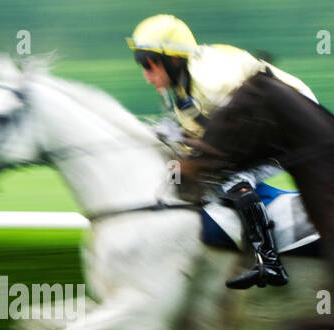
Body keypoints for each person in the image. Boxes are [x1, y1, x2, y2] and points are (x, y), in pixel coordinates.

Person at [127, 14, 317, 288]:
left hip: (294, 120)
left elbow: (231, 137)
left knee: (232, 178)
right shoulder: (181, 87)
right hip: (264, 122)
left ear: (173, 59)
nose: (146, 76)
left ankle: (270, 262)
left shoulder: (210, 79)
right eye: (142, 66)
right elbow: (201, 138)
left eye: (149, 64)